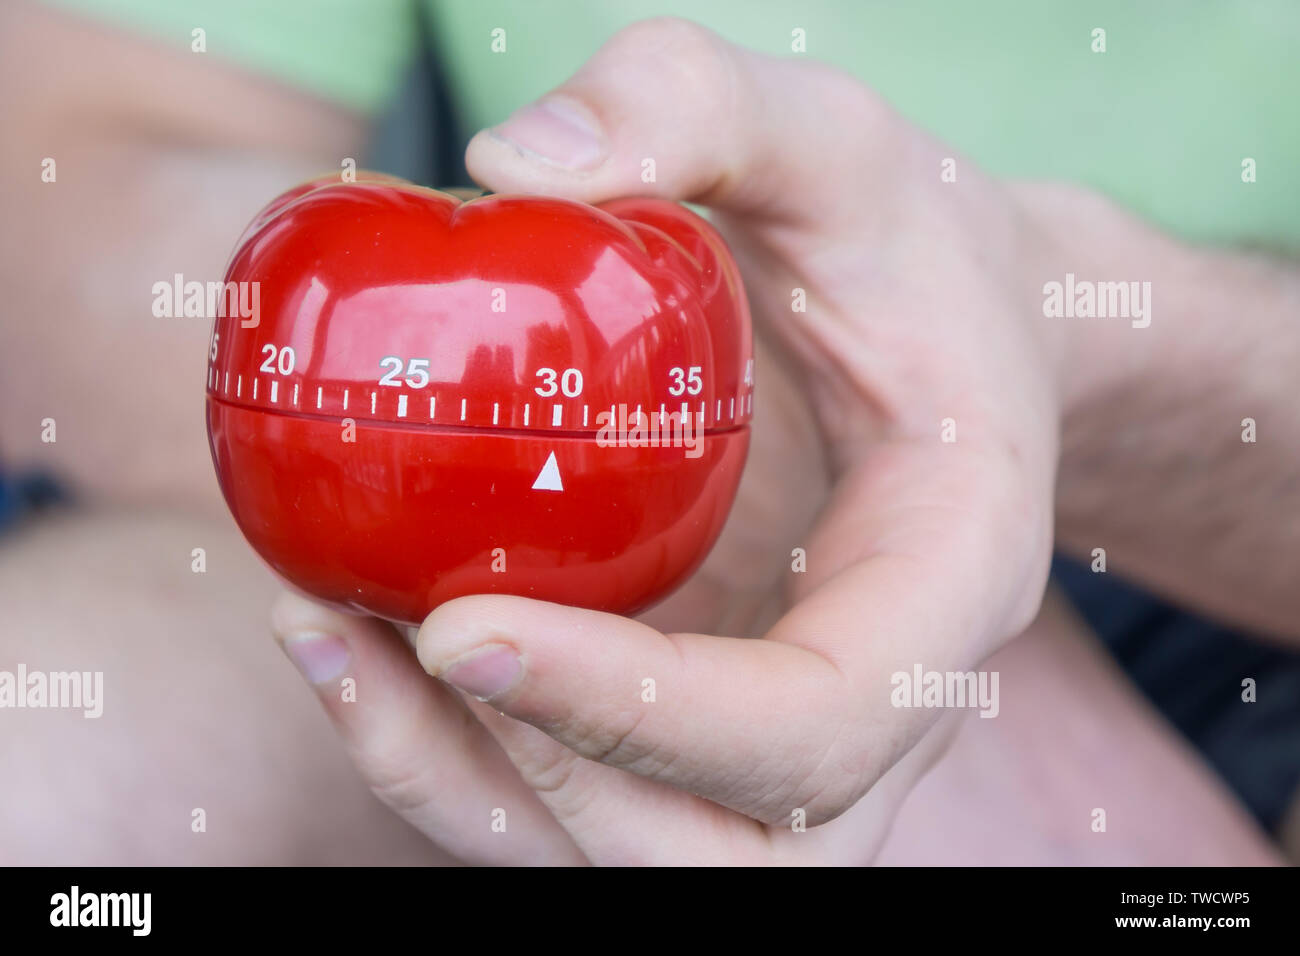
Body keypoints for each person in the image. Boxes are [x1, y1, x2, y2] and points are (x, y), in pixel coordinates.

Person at [1, 0, 1295, 865]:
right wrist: (807, 498)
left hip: (1243, 549)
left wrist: (1036, 373)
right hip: (615, 527)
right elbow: (70, 181)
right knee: (39, 774)